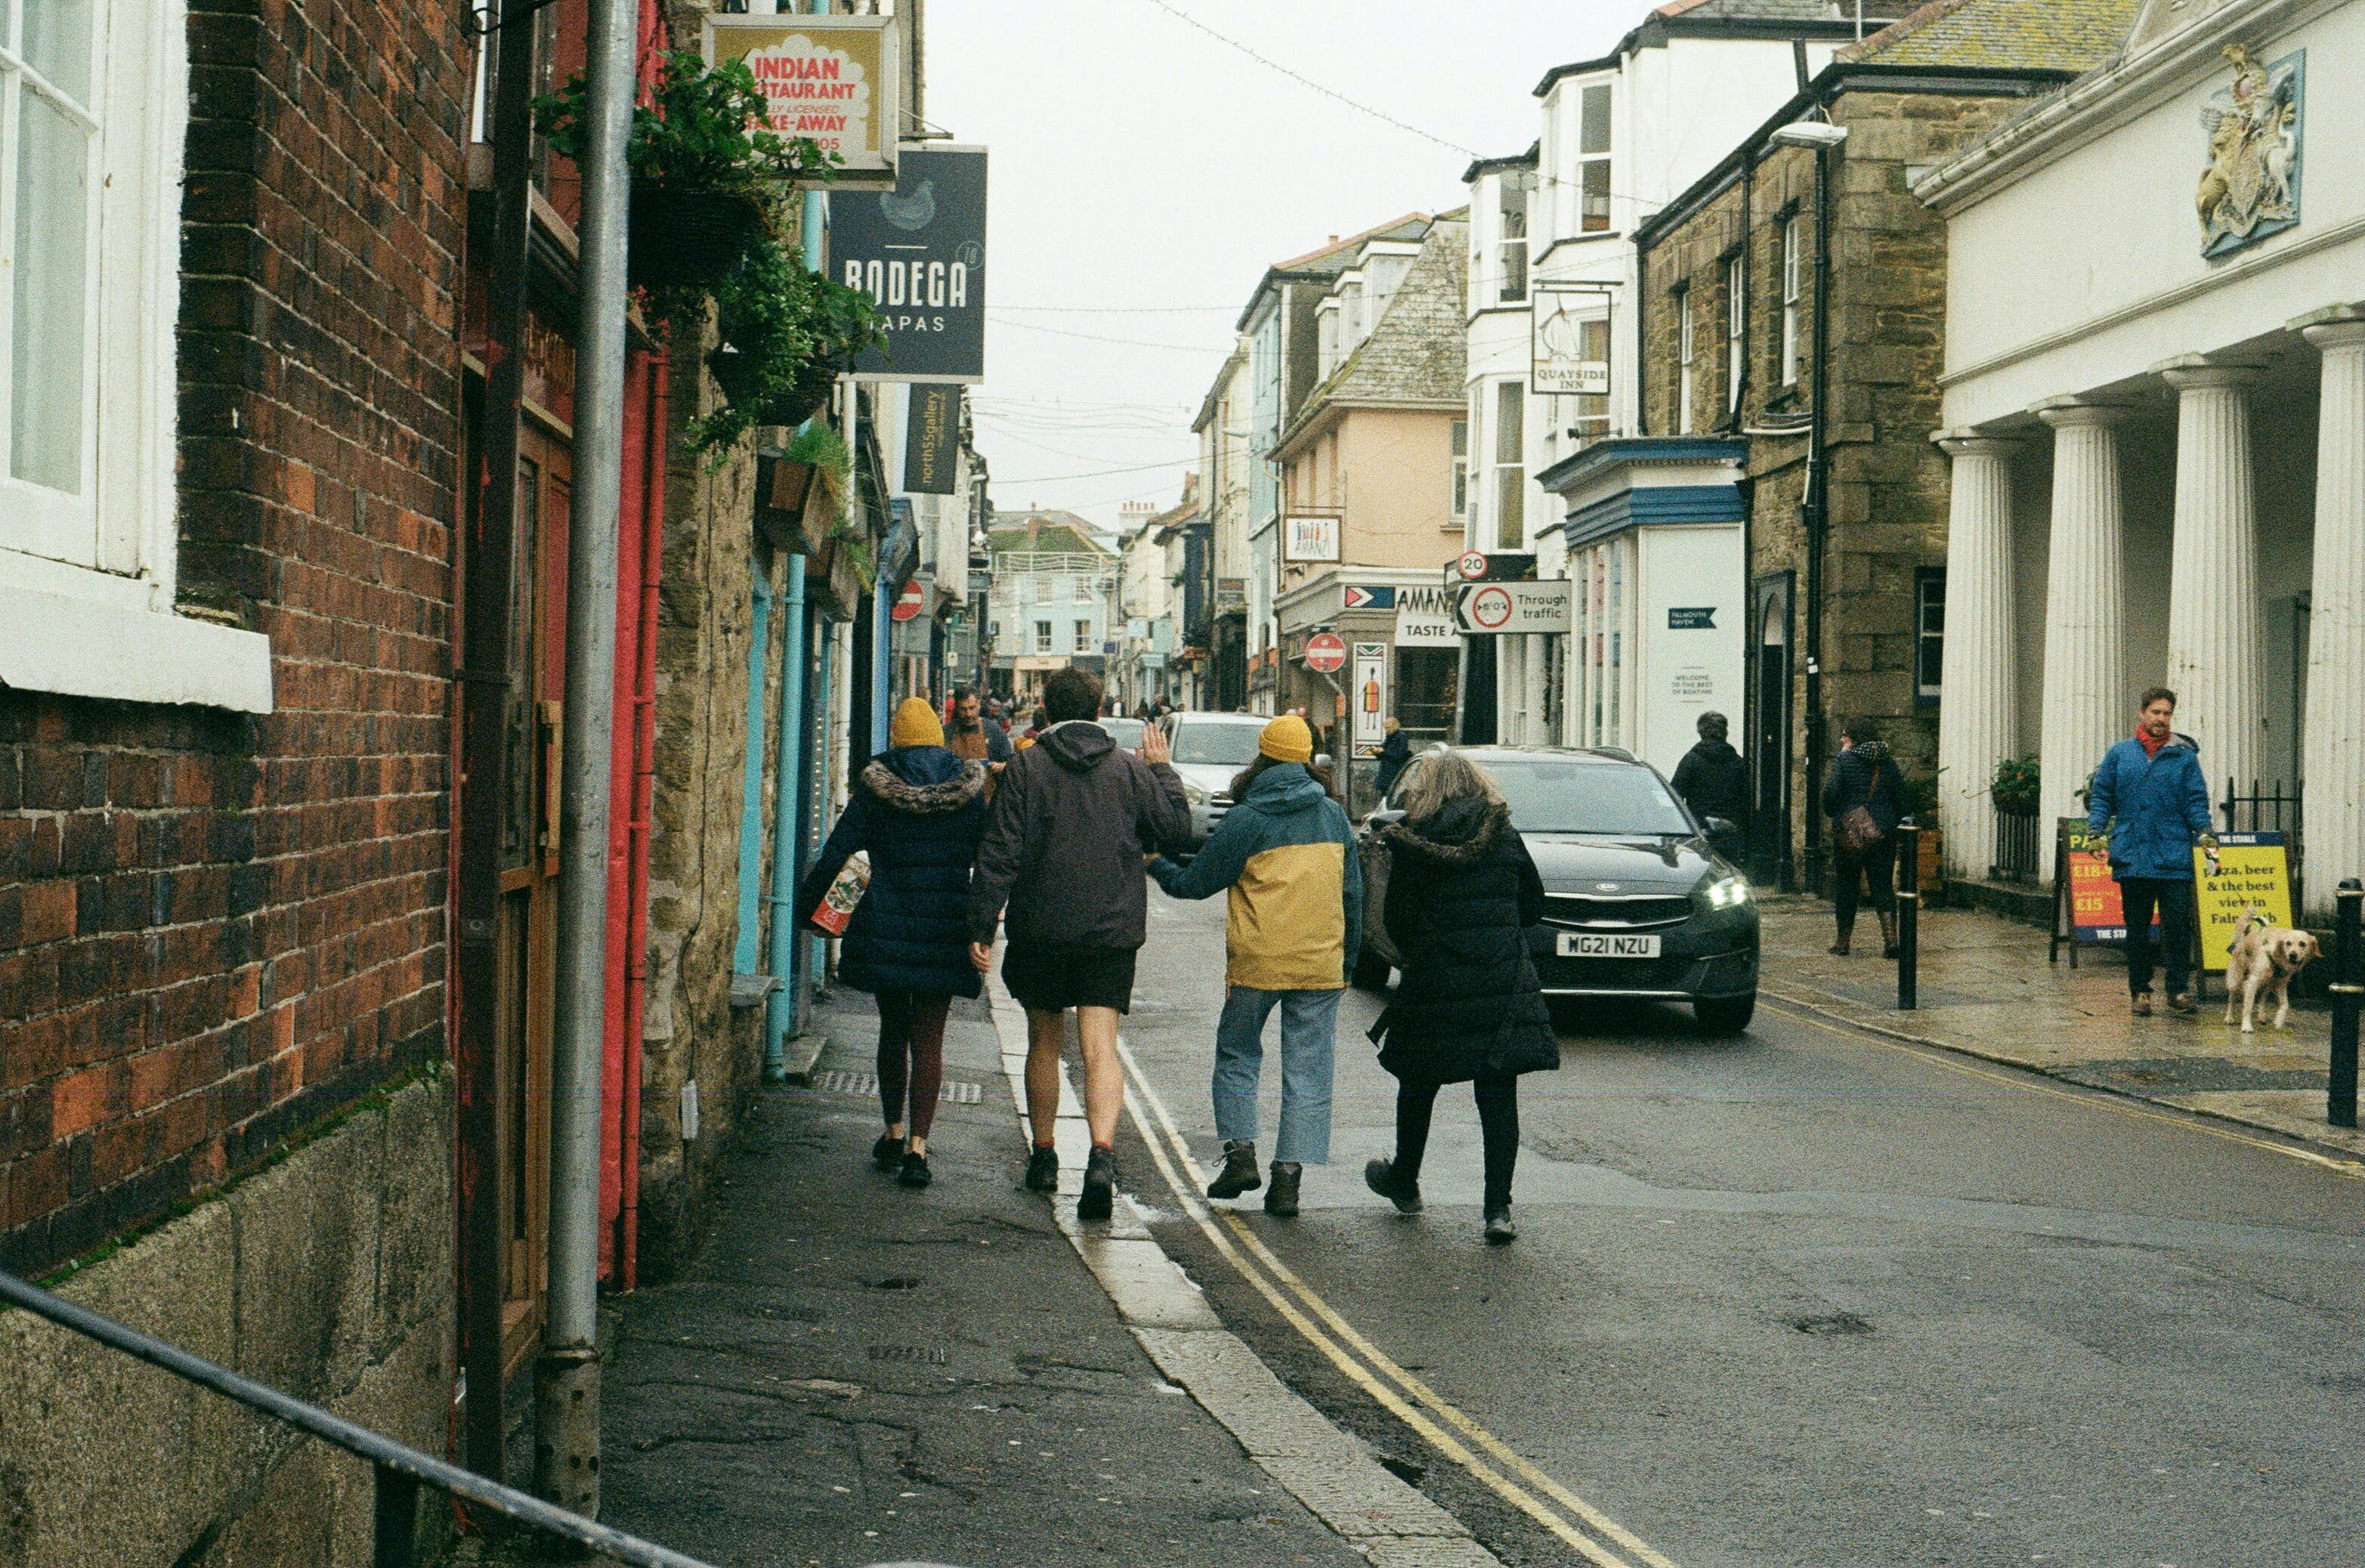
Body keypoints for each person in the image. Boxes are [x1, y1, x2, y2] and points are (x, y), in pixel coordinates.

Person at [967, 666, 1191, 1220]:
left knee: (1044, 1041)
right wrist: (1163, 770)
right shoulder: (1130, 771)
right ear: (1097, 709)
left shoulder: (1025, 768)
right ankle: (1101, 1156)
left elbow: (999, 853)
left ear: (1044, 707)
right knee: (1099, 1045)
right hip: (1109, 932)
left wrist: (980, 925)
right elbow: (1177, 831)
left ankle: (1044, 1157)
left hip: (1041, 926)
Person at [1148, 716, 1360, 1217]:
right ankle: (1288, 1178)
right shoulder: (1334, 816)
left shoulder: (1248, 817)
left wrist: (1153, 862)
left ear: (1261, 757)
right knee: (1308, 1069)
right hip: (1319, 960)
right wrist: (1347, 963)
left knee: (1238, 1052)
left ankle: (1241, 1153)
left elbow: (1195, 883)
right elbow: (1353, 894)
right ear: (1309, 759)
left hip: (1258, 961)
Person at [1361, 750, 1558, 1244]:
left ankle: (1404, 1181)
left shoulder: (1415, 839)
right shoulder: (1505, 835)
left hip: (1437, 977)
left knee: (1418, 1079)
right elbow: (1533, 903)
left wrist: (1424, 949)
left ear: (1427, 790)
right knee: (1497, 1092)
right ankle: (1498, 1210)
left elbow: (1397, 919)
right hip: (1501, 978)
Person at [796, 697, 988, 1189]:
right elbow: (989, 859)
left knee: (893, 1030)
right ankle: (919, 1149)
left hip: (885, 922)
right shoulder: (967, 791)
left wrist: (808, 908)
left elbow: (840, 851)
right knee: (930, 1039)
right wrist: (982, 926)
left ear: (897, 741)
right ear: (938, 739)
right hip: (945, 924)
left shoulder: (875, 790)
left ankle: (892, 1131)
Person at [2087, 687, 2215, 1018]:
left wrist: (2205, 833)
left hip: (2172, 855)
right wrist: (2096, 832)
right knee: (2138, 928)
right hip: (2133, 855)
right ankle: (2140, 991)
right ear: (2142, 713)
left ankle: (2177, 990)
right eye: (2156, 712)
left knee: (2176, 926)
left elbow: (2195, 800)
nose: (2161, 719)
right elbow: (2102, 795)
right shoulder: (2120, 754)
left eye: (2167, 714)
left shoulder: (2184, 756)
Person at [1820, 717, 1906, 957]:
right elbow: (1902, 800)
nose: (1841, 739)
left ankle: (1842, 942)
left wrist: (1836, 812)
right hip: (1882, 833)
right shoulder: (1887, 761)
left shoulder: (1844, 759)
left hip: (1851, 833)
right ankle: (1891, 942)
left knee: (1847, 886)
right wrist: (1888, 822)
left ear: (1855, 738)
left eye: (1845, 735)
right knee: (1883, 886)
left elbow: (1831, 795)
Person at [1671, 711, 1749, 842]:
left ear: (1701, 732)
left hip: (1700, 829)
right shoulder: (1738, 763)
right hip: (1732, 831)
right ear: (1725, 732)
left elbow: (1675, 794)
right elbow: (1746, 798)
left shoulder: (1691, 761)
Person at [946, 686, 1013, 790]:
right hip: (955, 798)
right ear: (956, 707)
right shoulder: (947, 732)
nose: (968, 714)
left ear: (979, 704)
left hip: (987, 798)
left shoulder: (993, 730)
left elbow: (1011, 763)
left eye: (972, 708)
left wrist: (1001, 766)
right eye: (963, 709)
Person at [1373, 716, 1414, 799]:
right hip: (1386, 771)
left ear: (1393, 727)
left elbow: (1398, 754)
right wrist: (1377, 752)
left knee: (1390, 796)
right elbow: (1384, 752)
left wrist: (1383, 752)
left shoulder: (1401, 736)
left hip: (1394, 771)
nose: (1386, 730)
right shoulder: (1389, 737)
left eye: (1388, 728)